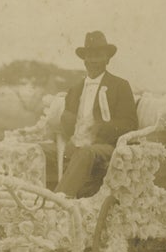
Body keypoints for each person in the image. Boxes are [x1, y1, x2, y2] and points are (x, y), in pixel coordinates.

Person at [46, 30, 138, 198]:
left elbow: (130, 124)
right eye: (89, 56)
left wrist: (101, 128)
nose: (93, 60)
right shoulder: (75, 89)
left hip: (104, 146)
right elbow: (67, 125)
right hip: (75, 145)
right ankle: (32, 201)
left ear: (107, 59)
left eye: (98, 55)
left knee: (85, 153)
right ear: (84, 60)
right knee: (39, 150)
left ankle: (56, 203)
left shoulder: (120, 86)